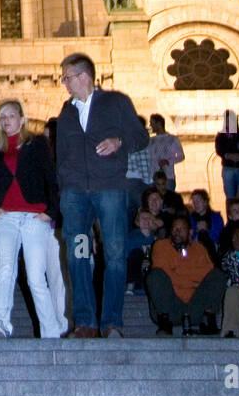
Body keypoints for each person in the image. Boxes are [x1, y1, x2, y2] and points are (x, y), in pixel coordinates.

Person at [56, 53, 149, 338]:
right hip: (76, 197)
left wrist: (118, 141)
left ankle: (112, 322)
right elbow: (60, 152)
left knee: (115, 255)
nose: (64, 83)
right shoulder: (66, 111)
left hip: (109, 189)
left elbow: (141, 137)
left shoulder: (117, 102)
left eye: (67, 77)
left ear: (84, 77)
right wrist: (64, 187)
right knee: (78, 255)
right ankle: (85, 322)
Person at [0, 100, 65, 339]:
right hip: (7, 217)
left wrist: (51, 211)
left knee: (35, 277)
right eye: (2, 117)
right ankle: (0, 323)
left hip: (34, 216)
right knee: (5, 270)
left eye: (10, 115)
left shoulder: (37, 144)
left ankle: (50, 330)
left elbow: (51, 178)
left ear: (22, 119)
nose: (6, 120)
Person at [146, 213, 226, 335]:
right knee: (155, 276)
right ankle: (165, 324)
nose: (177, 232)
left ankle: (208, 321)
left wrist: (177, 272)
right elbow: (163, 274)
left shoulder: (199, 248)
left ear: (190, 232)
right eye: (174, 229)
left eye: (181, 229)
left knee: (218, 275)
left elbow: (208, 274)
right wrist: (192, 281)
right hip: (171, 306)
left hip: (196, 306)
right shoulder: (161, 246)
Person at [126, 188, 166, 294]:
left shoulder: (156, 238)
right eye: (143, 218)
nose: (146, 221)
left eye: (148, 218)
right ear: (138, 221)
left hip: (150, 272)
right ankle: (130, 286)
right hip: (135, 271)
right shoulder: (131, 237)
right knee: (136, 254)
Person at [125, 119, 153, 227]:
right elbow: (145, 163)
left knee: (130, 214)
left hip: (128, 180)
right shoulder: (142, 140)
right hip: (138, 180)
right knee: (143, 213)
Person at [147, 114, 185, 191]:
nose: (150, 125)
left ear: (159, 124)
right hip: (153, 178)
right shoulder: (151, 141)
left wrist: (168, 161)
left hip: (168, 177)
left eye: (152, 123)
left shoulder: (172, 139)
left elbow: (181, 156)